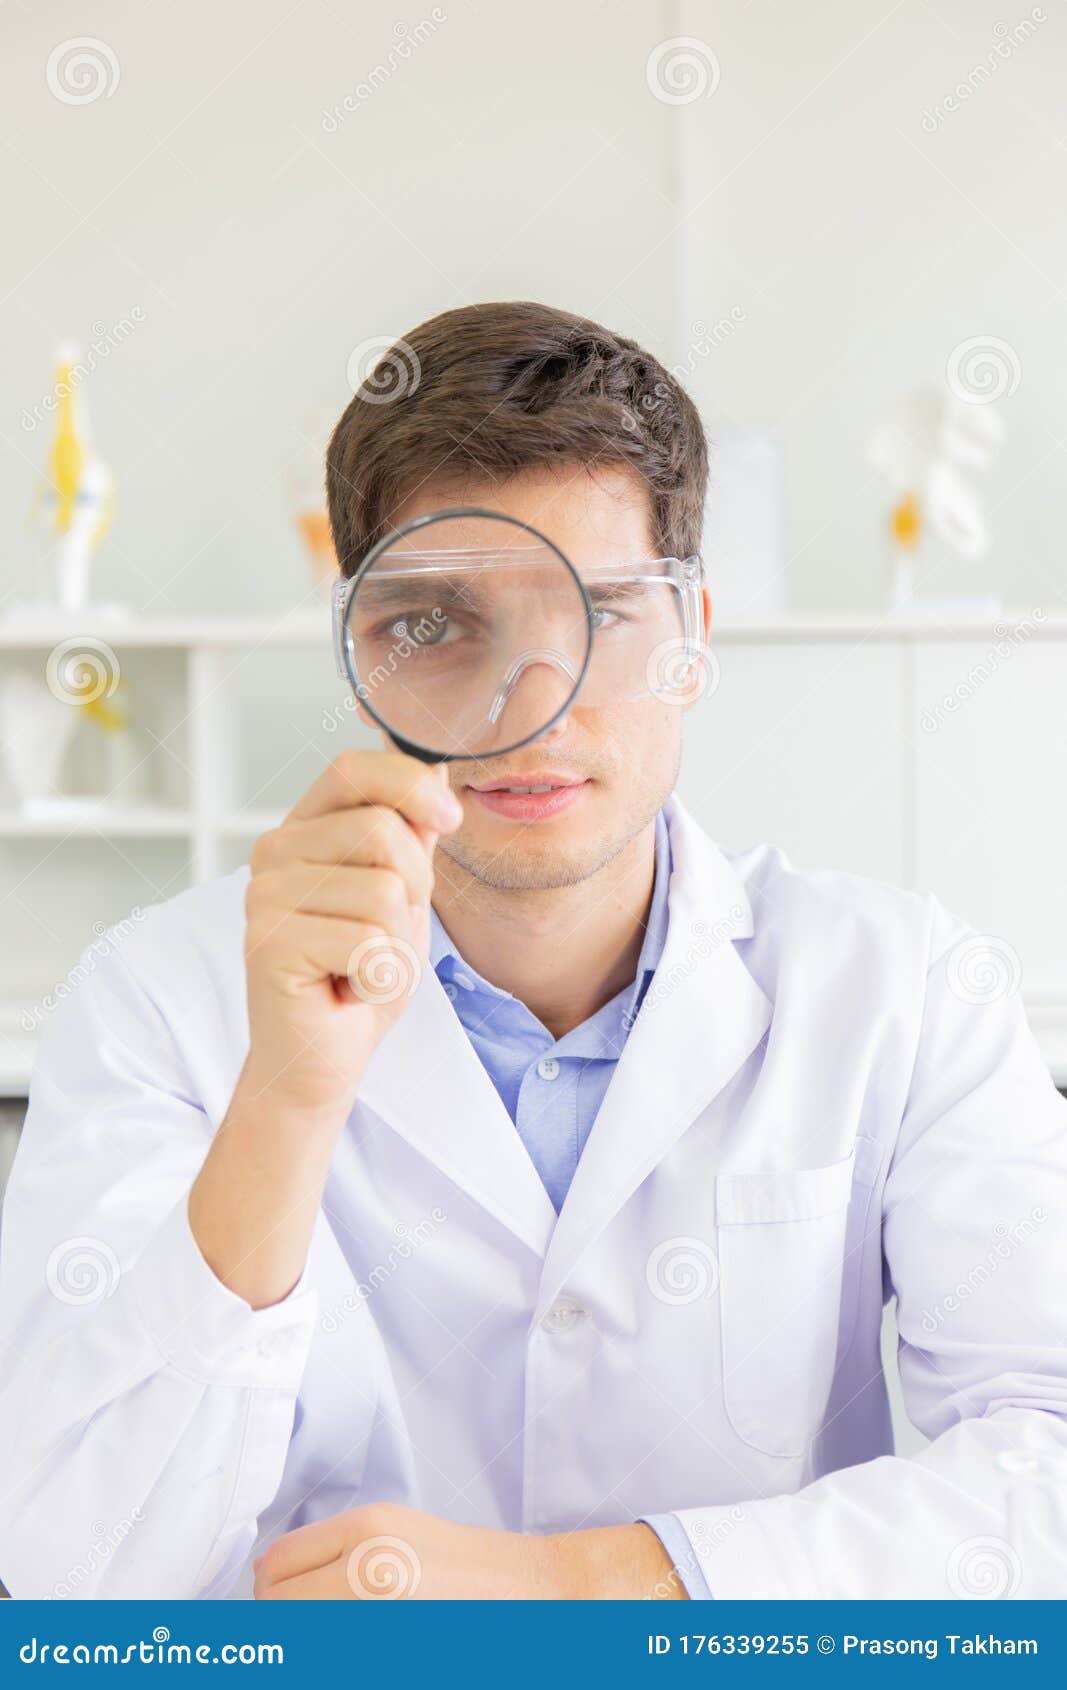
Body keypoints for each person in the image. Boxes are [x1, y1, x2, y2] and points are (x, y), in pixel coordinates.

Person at [1, 302, 1065, 1601]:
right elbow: (73, 1574)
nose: (528, 706)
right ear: (358, 650)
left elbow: (1049, 1472)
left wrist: (580, 1583)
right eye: (435, 623)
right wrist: (285, 1101)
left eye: (602, 614)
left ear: (693, 640)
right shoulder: (156, 1000)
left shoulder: (907, 989)